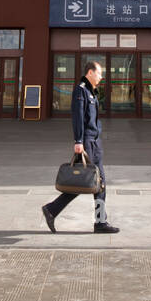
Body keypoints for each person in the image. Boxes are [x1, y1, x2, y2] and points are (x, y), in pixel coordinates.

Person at [42, 60, 119, 234]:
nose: (101, 76)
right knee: (87, 182)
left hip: (95, 142)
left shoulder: (92, 92)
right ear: (90, 73)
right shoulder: (81, 90)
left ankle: (55, 211)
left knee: (97, 183)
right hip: (87, 143)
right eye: (99, 73)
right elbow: (77, 117)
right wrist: (78, 141)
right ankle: (54, 210)